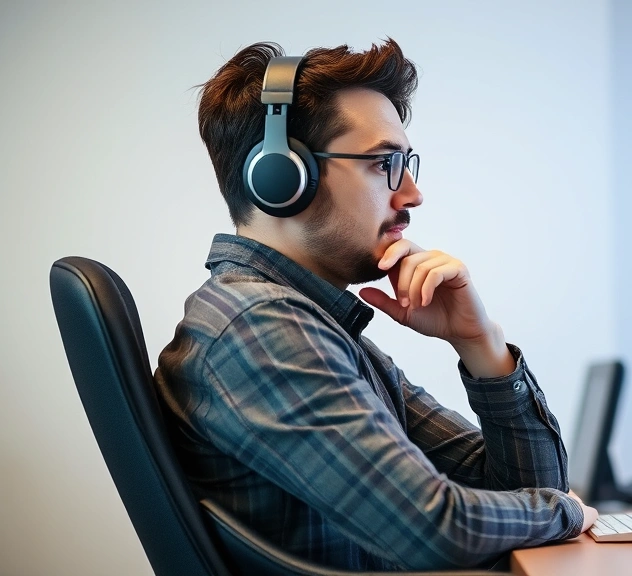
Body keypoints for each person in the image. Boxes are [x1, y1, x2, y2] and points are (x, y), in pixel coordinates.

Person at [154, 38, 597, 572]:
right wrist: (568, 512)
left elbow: (520, 488)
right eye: (384, 163)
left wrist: (480, 344)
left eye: (406, 163)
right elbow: (438, 530)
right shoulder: (261, 328)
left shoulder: (314, 325)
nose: (412, 194)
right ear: (283, 177)